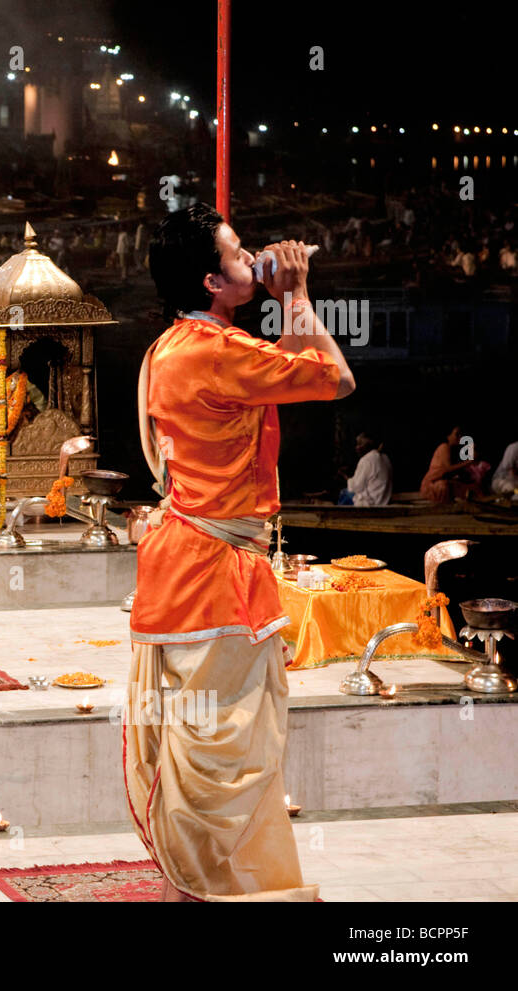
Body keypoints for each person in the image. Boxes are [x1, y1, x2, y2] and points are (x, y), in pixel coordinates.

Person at [126, 204, 355, 902]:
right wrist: (297, 294)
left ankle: (187, 884)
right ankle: (203, 889)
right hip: (217, 578)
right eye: (236, 253)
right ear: (212, 281)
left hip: (179, 560)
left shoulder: (170, 346)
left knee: (198, 742)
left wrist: (279, 298)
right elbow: (334, 375)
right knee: (228, 751)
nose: (251, 253)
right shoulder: (218, 354)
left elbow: (292, 368)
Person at [419, 425, 488, 504]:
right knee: (444, 486)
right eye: (456, 434)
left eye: (460, 434)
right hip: (432, 484)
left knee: (474, 487)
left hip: (445, 482)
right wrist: (469, 461)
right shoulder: (444, 447)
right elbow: (447, 471)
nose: (459, 437)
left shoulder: (455, 452)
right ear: (448, 436)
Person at [338, 431, 393, 506]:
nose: (357, 447)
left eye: (360, 444)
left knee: (344, 493)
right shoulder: (385, 458)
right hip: (383, 501)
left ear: (368, 445)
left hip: (370, 503)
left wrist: (345, 477)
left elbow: (356, 487)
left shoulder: (367, 459)